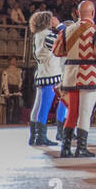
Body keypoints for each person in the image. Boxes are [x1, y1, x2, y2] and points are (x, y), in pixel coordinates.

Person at [53, 0, 96, 158]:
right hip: (89, 76)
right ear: (93, 13)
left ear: (77, 12)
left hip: (70, 75)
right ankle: (81, 148)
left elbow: (57, 51)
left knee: (72, 113)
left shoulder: (67, 31)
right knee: (85, 113)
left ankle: (65, 148)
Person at [27, 11, 62, 146]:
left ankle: (34, 135)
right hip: (50, 74)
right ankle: (41, 136)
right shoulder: (48, 36)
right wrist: (59, 27)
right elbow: (61, 44)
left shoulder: (37, 35)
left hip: (41, 72)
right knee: (44, 106)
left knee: (37, 106)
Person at [1, 56, 24, 125]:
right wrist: (6, 91)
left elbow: (20, 79)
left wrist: (19, 86)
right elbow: (4, 81)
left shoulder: (19, 70)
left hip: (16, 87)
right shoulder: (6, 71)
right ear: (9, 61)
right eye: (12, 60)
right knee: (9, 105)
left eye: (15, 60)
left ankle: (15, 120)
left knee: (16, 105)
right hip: (9, 87)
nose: (14, 62)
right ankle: (8, 121)